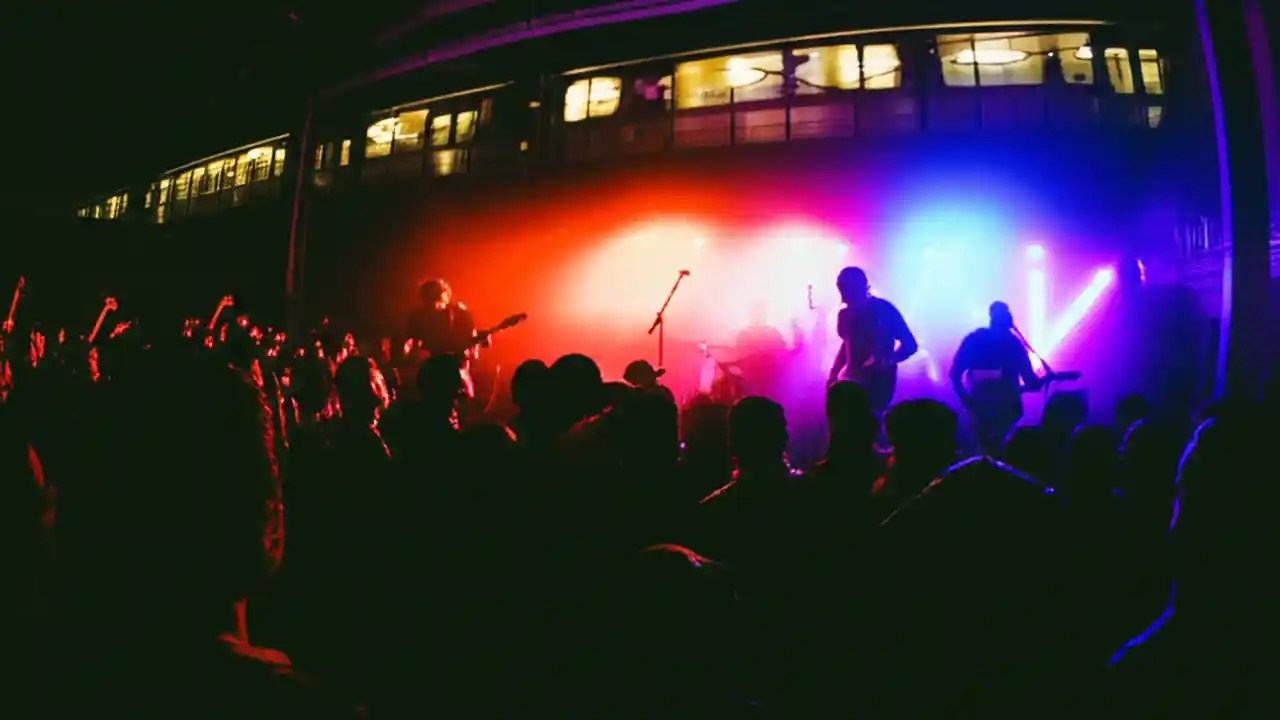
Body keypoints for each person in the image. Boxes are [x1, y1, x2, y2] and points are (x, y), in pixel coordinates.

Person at [949, 301, 1042, 454]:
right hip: (1004, 409)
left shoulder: (975, 339)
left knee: (982, 449)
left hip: (981, 408)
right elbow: (1030, 380)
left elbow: (955, 374)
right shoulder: (1013, 343)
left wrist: (966, 399)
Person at [827, 267, 916, 413]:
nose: (843, 295)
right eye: (841, 289)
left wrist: (889, 360)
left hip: (878, 384)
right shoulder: (845, 315)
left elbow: (910, 344)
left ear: (859, 288)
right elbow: (847, 346)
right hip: (851, 381)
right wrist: (833, 376)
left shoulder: (883, 310)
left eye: (846, 289)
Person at [405, 278, 480, 397]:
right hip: (432, 371)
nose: (434, 305)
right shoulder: (417, 318)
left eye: (436, 299)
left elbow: (471, 345)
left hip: (455, 371)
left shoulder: (460, 315)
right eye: (429, 299)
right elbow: (413, 347)